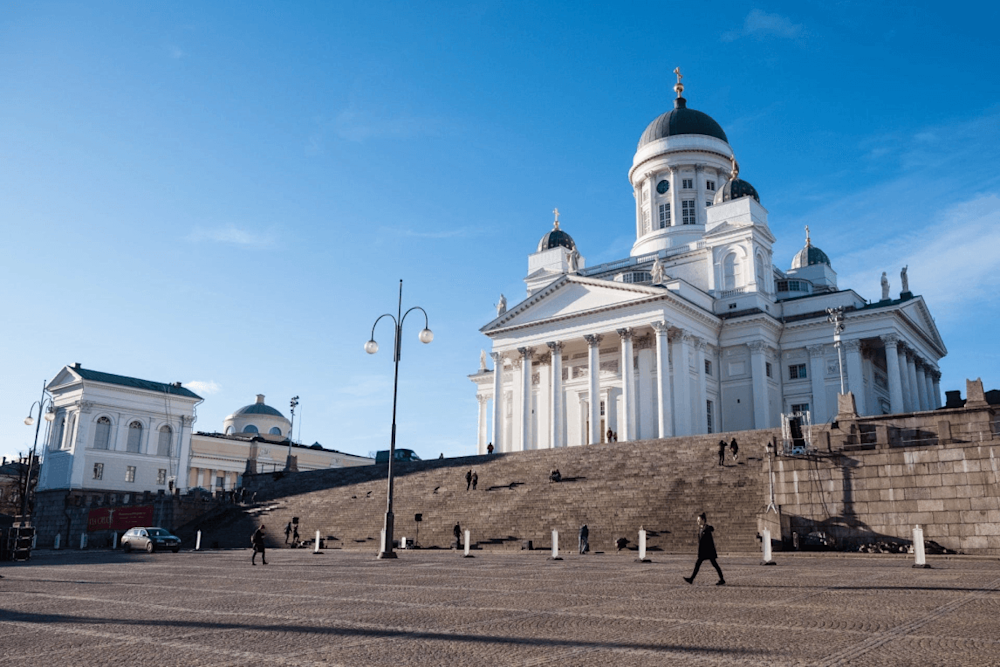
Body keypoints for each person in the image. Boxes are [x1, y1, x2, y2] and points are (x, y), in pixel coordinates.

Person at [683, 513, 725, 586]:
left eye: (699, 520)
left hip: (708, 551)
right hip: (703, 551)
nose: (698, 522)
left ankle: (722, 579)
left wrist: (708, 527)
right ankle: (691, 579)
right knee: (700, 564)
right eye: (697, 520)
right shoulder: (701, 529)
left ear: (703, 520)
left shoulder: (706, 528)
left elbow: (712, 528)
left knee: (714, 565)